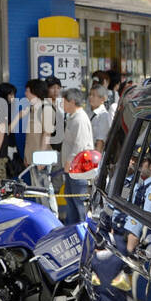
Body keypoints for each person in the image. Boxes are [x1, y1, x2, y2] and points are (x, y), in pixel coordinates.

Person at [58, 87, 95, 224]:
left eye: (64, 101)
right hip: (72, 169)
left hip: (79, 169)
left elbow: (79, 145)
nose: (62, 104)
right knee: (71, 200)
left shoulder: (80, 119)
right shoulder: (73, 117)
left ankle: (83, 232)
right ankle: (73, 230)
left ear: (72, 101)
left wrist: (69, 162)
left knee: (79, 203)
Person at [88, 84, 112, 153]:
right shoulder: (90, 112)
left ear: (102, 99)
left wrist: (94, 161)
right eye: (90, 94)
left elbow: (100, 141)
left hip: (94, 154)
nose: (90, 97)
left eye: (93, 95)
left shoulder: (103, 115)